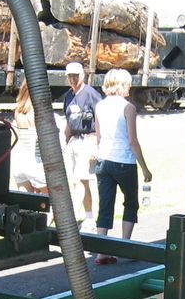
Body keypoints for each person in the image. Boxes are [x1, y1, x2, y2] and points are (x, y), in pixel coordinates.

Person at [92, 69, 153, 264]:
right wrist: (144, 167)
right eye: (127, 84)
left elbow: (99, 136)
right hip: (124, 161)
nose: (129, 87)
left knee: (105, 204)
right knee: (130, 202)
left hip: (103, 160)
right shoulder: (128, 108)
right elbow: (132, 140)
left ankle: (101, 250)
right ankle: (125, 246)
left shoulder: (100, 106)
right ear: (121, 85)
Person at [62, 62, 103, 231]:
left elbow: (101, 119)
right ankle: (88, 217)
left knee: (82, 179)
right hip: (74, 140)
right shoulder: (68, 96)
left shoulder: (91, 94)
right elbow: (68, 119)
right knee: (77, 180)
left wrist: (97, 145)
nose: (73, 79)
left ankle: (74, 217)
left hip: (89, 138)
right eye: (70, 76)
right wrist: (66, 139)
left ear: (82, 75)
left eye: (75, 76)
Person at [11, 80, 48, 194]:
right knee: (50, 201)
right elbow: (40, 137)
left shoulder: (18, 110)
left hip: (20, 161)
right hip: (35, 162)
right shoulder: (38, 110)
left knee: (25, 202)